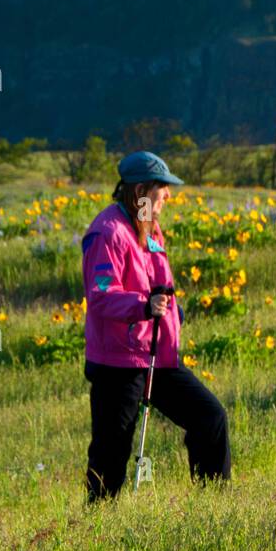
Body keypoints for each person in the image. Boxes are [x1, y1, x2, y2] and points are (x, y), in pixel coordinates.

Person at [81, 150, 231, 500]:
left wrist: (171, 314)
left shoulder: (150, 229)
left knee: (210, 417)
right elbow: (101, 295)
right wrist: (143, 306)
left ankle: (214, 504)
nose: (168, 198)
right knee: (111, 452)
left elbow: (159, 283)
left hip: (156, 354)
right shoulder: (107, 233)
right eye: (163, 190)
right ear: (141, 193)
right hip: (117, 363)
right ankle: (97, 526)